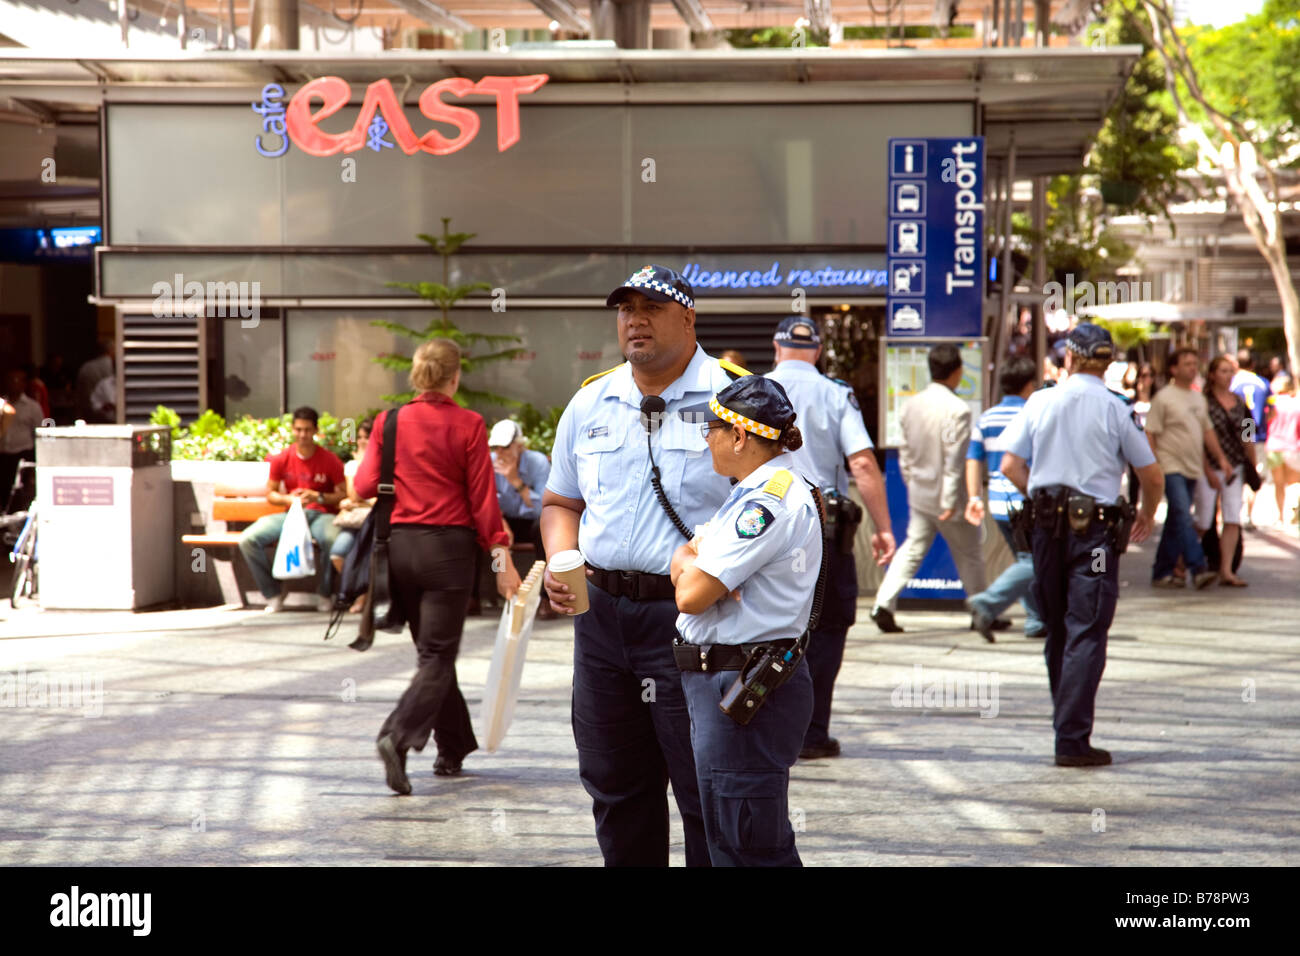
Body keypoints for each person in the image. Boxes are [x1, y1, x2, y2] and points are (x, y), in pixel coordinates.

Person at [540, 264, 741, 867]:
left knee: (706, 787)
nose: (635, 320)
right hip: (602, 620)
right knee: (613, 781)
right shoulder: (590, 399)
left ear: (688, 317)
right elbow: (560, 502)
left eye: (651, 308)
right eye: (626, 309)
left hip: (693, 622)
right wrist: (560, 560)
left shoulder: (736, 398)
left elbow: (783, 513)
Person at [356, 340, 521, 793]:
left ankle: (455, 744)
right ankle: (397, 733)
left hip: (400, 551)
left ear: (415, 374)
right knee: (437, 656)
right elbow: (483, 501)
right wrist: (501, 556)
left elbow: (364, 484)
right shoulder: (468, 423)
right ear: (455, 377)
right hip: (448, 552)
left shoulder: (387, 422)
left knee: (431, 654)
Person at [669, 376, 820, 866]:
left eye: (713, 428)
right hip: (730, 680)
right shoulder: (752, 491)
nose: (706, 438)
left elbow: (690, 594)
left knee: (749, 846)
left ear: (740, 436)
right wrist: (695, 563)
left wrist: (696, 565)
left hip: (741, 683)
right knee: (733, 838)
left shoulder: (764, 502)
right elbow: (684, 556)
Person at [999, 323, 1164, 767]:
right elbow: (1151, 475)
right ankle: (1071, 739)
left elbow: (1010, 464)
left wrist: (1040, 494)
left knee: (1057, 625)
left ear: (1068, 359)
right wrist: (1147, 514)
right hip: (1093, 535)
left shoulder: (1040, 400)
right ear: (1107, 363)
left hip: (1046, 530)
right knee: (1086, 626)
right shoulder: (1117, 408)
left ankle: (1066, 726)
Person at [764, 315, 895, 760]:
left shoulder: (753, 389)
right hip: (824, 529)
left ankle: (764, 722)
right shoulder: (836, 394)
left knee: (766, 621)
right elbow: (861, 464)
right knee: (827, 625)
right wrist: (884, 529)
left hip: (761, 528)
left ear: (776, 348)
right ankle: (811, 733)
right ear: (817, 352)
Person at [869, 343, 987, 633]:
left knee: (912, 548)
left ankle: (882, 603)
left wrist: (912, 482)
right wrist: (948, 501)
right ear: (958, 371)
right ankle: (983, 612)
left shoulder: (911, 405)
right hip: (948, 499)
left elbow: (906, 452)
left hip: (920, 493)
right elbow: (953, 460)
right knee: (969, 553)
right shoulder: (958, 409)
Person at [964, 356, 1045, 641]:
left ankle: (1037, 620)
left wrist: (975, 496)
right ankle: (987, 603)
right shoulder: (1034, 414)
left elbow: (973, 459)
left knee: (1025, 559)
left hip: (998, 504)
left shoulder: (986, 418)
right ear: (1028, 385)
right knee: (1034, 561)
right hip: (1026, 501)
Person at [237, 406, 347, 613]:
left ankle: (325, 593)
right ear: (292, 429)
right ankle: (273, 594)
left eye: (307, 430)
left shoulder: (329, 460)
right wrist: (288, 498)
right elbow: (270, 492)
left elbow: (343, 493)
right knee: (248, 539)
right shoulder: (281, 458)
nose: (302, 435)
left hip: (321, 514)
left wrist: (318, 496)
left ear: (316, 431)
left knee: (333, 541)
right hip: (291, 515)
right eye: (298, 429)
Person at [1146, 347, 1234, 589]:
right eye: (1187, 364)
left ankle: (1163, 571)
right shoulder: (1165, 397)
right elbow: (1150, 433)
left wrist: (1225, 461)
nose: (1193, 368)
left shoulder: (1206, 400)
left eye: (1195, 364)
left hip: (1204, 468)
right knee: (1186, 516)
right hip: (1173, 466)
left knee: (1180, 520)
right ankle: (1198, 566)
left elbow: (1209, 433)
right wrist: (1152, 465)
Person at [1194, 356, 1254, 586]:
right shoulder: (1203, 403)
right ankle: (1181, 562)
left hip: (1235, 467)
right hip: (1209, 466)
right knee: (1203, 518)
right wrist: (1206, 467)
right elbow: (1197, 438)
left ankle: (1226, 569)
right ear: (1212, 374)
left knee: (1232, 517)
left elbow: (1247, 434)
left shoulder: (1240, 403)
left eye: (1231, 371)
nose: (1228, 376)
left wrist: (1252, 464)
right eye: (1223, 371)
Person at [489, 418, 556, 619]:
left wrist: (515, 481)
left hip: (532, 520)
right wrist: (501, 524)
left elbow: (544, 508)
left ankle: (545, 598)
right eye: (495, 447)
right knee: (480, 530)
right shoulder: (489, 461)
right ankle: (476, 598)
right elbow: (486, 502)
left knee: (543, 528)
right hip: (503, 519)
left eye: (505, 447)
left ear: (519, 445)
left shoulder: (537, 462)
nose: (499, 452)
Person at [332, 417, 375, 612]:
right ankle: (360, 591)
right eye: (359, 437)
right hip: (354, 522)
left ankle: (365, 595)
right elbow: (354, 494)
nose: (361, 442)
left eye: (367, 438)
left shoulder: (385, 463)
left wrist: (362, 500)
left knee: (371, 552)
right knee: (337, 553)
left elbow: (363, 497)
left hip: (375, 521)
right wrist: (361, 463)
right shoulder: (353, 464)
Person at [1232, 350, 1271, 529]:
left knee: (1243, 472)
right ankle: (1246, 514)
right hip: (1256, 434)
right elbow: (1271, 410)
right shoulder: (1262, 384)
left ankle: (1237, 513)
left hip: (1241, 434)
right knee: (1253, 472)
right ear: (1253, 364)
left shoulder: (1233, 383)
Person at [0, 368, 42, 513]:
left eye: (18, 381)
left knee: (19, 492)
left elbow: (39, 431)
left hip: (22, 453)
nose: (14, 384)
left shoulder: (32, 407)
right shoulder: (1, 405)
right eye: (11, 380)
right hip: (3, 454)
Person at [1264, 371, 1300, 529]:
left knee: (1279, 484)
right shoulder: (1296, 404)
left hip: (1273, 446)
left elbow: (1255, 422)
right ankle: (1294, 513)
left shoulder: (1272, 404)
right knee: (1294, 483)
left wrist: (1248, 439)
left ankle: (1280, 516)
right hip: (1293, 446)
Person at [74, 340, 113, 422]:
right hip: (108, 415)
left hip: (88, 413)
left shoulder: (86, 367)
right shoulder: (112, 367)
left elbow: (80, 394)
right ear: (111, 350)